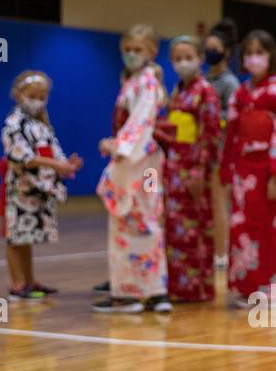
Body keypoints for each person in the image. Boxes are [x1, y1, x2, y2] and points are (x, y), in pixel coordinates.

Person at [218, 30, 276, 309]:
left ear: (271, 57)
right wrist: (227, 170)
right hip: (244, 170)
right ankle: (246, 286)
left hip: (269, 169)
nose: (254, 59)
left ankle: (270, 286)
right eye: (249, 53)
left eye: (260, 52)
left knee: (270, 226)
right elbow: (231, 134)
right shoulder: (240, 94)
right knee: (242, 227)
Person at [95, 24, 171, 313]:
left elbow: (140, 123)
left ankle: (129, 293)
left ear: (152, 51)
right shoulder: (138, 81)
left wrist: (118, 147)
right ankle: (153, 291)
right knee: (147, 217)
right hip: (145, 162)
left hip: (138, 162)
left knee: (130, 218)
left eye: (137, 49)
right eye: (127, 49)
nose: (131, 54)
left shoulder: (146, 82)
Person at [0, 70, 81, 298]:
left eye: (41, 96)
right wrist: (56, 165)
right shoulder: (14, 124)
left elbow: (53, 151)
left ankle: (30, 280)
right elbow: (22, 157)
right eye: (32, 95)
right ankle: (17, 284)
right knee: (16, 237)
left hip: (39, 189)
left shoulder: (41, 125)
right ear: (18, 95)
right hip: (21, 189)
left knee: (28, 236)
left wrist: (67, 165)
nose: (37, 100)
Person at [163, 35, 221, 303]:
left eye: (188, 57)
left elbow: (209, 133)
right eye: (177, 58)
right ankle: (177, 285)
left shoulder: (205, 91)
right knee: (175, 227)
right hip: (173, 166)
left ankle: (198, 286)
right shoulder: (177, 90)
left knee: (194, 226)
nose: (182, 63)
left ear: (199, 58)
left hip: (193, 167)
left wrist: (199, 169)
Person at [204, 19, 240, 271]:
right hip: (200, 152)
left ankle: (221, 254)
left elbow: (234, 118)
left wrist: (214, 120)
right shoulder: (203, 80)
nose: (209, 52)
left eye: (214, 47)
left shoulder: (230, 83)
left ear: (226, 52)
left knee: (218, 202)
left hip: (221, 151)